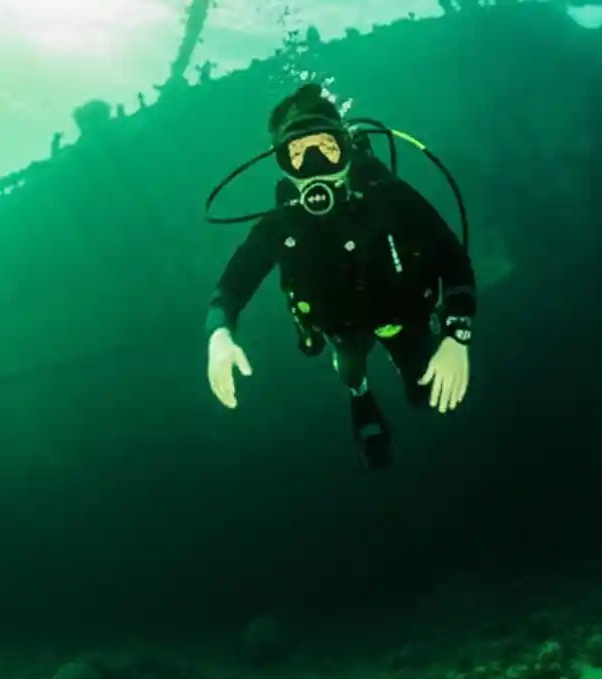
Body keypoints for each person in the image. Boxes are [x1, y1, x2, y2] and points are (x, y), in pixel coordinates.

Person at [204, 83, 478, 470]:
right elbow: (229, 289)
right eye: (298, 155)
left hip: (406, 318)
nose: (315, 165)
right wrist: (219, 337)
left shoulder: (390, 197)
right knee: (352, 370)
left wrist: (456, 336)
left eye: (327, 149)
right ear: (284, 164)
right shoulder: (280, 225)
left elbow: (454, 261)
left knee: (424, 391)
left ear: (348, 150)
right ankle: (360, 394)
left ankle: (383, 383)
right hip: (342, 330)